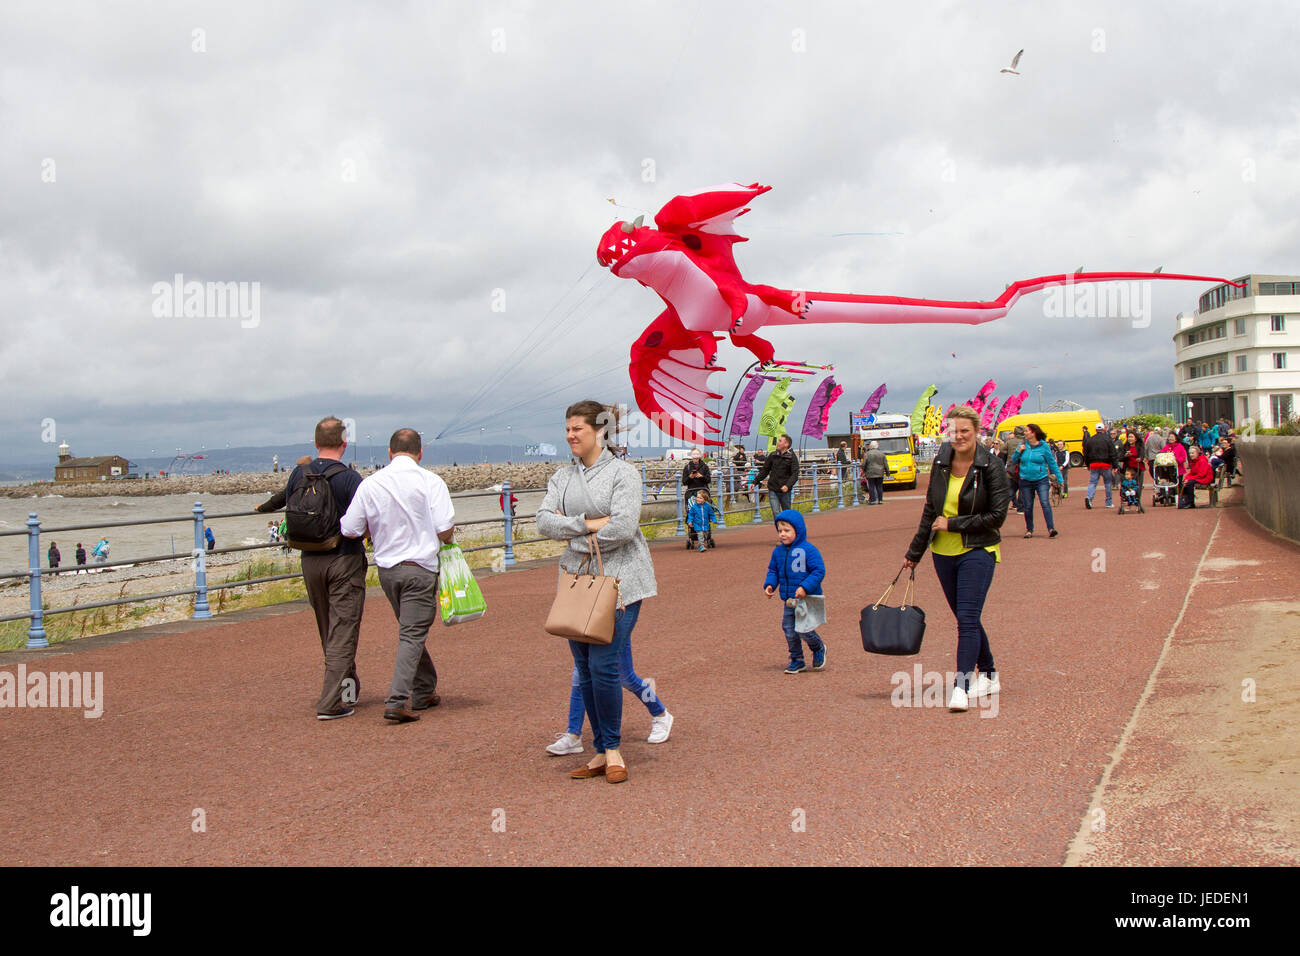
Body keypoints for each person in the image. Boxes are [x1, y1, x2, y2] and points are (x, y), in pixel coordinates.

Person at [537, 400, 661, 784]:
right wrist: (588, 525)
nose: (571, 435)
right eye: (568, 428)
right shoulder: (561, 477)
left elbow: (624, 528)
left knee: (605, 666)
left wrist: (572, 530)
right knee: (586, 670)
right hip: (578, 581)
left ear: (599, 431)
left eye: (579, 429)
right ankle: (599, 750)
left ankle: (611, 749)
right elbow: (543, 521)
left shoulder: (624, 473)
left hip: (622, 582)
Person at [340, 427, 455, 723]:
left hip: (388, 570)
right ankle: (397, 700)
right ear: (420, 452)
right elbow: (445, 530)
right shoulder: (431, 481)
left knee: (411, 630)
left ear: (389, 453)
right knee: (412, 633)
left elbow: (349, 528)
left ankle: (424, 688)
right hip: (420, 567)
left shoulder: (370, 484)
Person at [903, 405, 1010, 711]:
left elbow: (997, 516)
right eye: (954, 431)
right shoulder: (941, 460)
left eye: (965, 430)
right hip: (942, 552)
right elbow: (930, 511)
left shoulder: (991, 466)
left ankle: (961, 687)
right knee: (968, 617)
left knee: (966, 619)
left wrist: (954, 524)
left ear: (977, 431)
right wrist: (914, 552)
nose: (959, 436)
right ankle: (989, 674)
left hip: (978, 549)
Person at [276, 417, 367, 720]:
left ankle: (346, 688)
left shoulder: (298, 475)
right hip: (344, 557)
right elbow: (364, 522)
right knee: (344, 629)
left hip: (309, 558)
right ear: (345, 443)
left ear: (315, 444)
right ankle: (330, 703)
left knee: (328, 627)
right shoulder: (350, 479)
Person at [763, 509, 827, 674]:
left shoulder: (809, 549)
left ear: (797, 530)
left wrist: (805, 587)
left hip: (805, 598)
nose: (782, 534)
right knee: (789, 629)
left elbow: (818, 570)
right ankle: (797, 659)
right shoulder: (778, 552)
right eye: (780, 531)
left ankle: (818, 647)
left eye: (787, 531)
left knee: (803, 629)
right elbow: (773, 571)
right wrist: (770, 585)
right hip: (789, 599)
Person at [1010, 424, 1063, 538]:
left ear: (1033, 433)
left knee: (1044, 502)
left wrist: (1059, 478)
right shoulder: (1023, 444)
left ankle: (1051, 528)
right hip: (1025, 480)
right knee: (1028, 506)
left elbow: (1052, 463)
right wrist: (1019, 451)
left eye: (1027, 431)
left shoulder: (1044, 446)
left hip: (1041, 479)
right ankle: (1029, 529)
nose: (1025, 433)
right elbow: (1013, 460)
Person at [749, 434, 799, 518]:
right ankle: (780, 530)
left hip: (785, 490)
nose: (778, 443)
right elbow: (765, 470)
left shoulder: (792, 457)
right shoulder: (773, 455)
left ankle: (788, 529)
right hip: (773, 489)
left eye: (780, 441)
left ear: (786, 444)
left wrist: (787, 485)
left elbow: (795, 474)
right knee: (776, 513)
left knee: (787, 513)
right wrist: (755, 481)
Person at [1083, 421, 1119, 509]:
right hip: (1106, 464)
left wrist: (1087, 464)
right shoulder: (1108, 439)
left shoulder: (1090, 440)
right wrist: (1115, 465)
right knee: (1107, 483)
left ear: (1095, 430)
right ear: (1104, 429)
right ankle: (1108, 502)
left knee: (1092, 482)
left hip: (1094, 464)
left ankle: (1089, 497)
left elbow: (1086, 453)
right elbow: (1113, 453)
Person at [1179, 444, 1215, 509]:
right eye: (1190, 453)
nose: (1191, 455)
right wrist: (1186, 479)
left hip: (1206, 478)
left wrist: (1189, 479)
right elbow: (1192, 473)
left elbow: (1202, 474)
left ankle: (1190, 503)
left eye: (1193, 453)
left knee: (1189, 484)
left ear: (1198, 453)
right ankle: (1186, 501)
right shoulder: (1194, 461)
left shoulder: (1202, 461)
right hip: (1200, 477)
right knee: (1185, 483)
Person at [1003, 425, 1026, 513]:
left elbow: (1002, 450)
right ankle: (1021, 508)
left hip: (1011, 468)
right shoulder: (1025, 442)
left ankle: (1005, 506)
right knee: (1022, 489)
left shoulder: (1009, 442)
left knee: (1011, 488)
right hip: (1022, 467)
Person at [861, 440, 890, 505]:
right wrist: (887, 472)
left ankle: (873, 500)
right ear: (877, 446)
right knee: (879, 486)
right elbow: (885, 464)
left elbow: (863, 464)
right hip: (880, 472)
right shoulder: (882, 454)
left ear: (871, 446)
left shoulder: (868, 454)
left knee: (871, 486)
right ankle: (880, 499)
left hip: (870, 473)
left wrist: (864, 471)